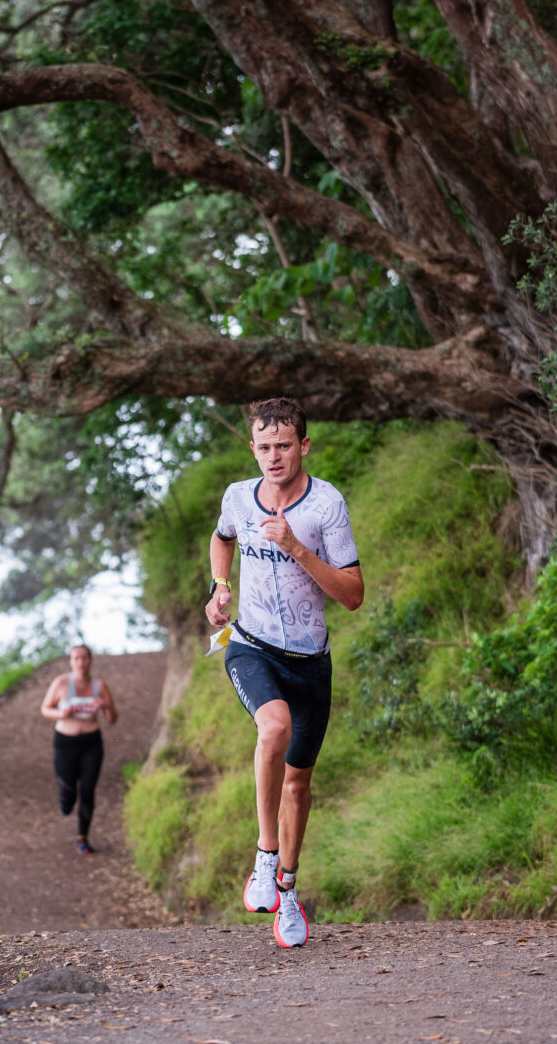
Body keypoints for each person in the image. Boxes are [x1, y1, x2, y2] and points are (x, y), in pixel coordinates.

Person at [205, 398, 364, 948]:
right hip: (251, 646)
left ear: (304, 446)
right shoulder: (237, 497)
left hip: (310, 661)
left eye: (284, 445)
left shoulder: (326, 505)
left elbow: (353, 595)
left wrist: (296, 546)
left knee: (298, 784)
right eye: (264, 446)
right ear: (253, 448)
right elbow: (222, 537)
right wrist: (220, 586)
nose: (274, 456)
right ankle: (264, 856)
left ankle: (288, 892)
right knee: (272, 728)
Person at [40, 644, 118, 855]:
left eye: (84, 658)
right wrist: (61, 713)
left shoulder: (100, 686)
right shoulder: (61, 683)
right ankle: (66, 801)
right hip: (65, 742)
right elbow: (45, 708)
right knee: (68, 793)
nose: (80, 662)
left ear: (90, 660)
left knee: (88, 790)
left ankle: (82, 838)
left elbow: (112, 719)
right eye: (76, 658)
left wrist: (105, 705)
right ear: (71, 661)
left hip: (91, 743)